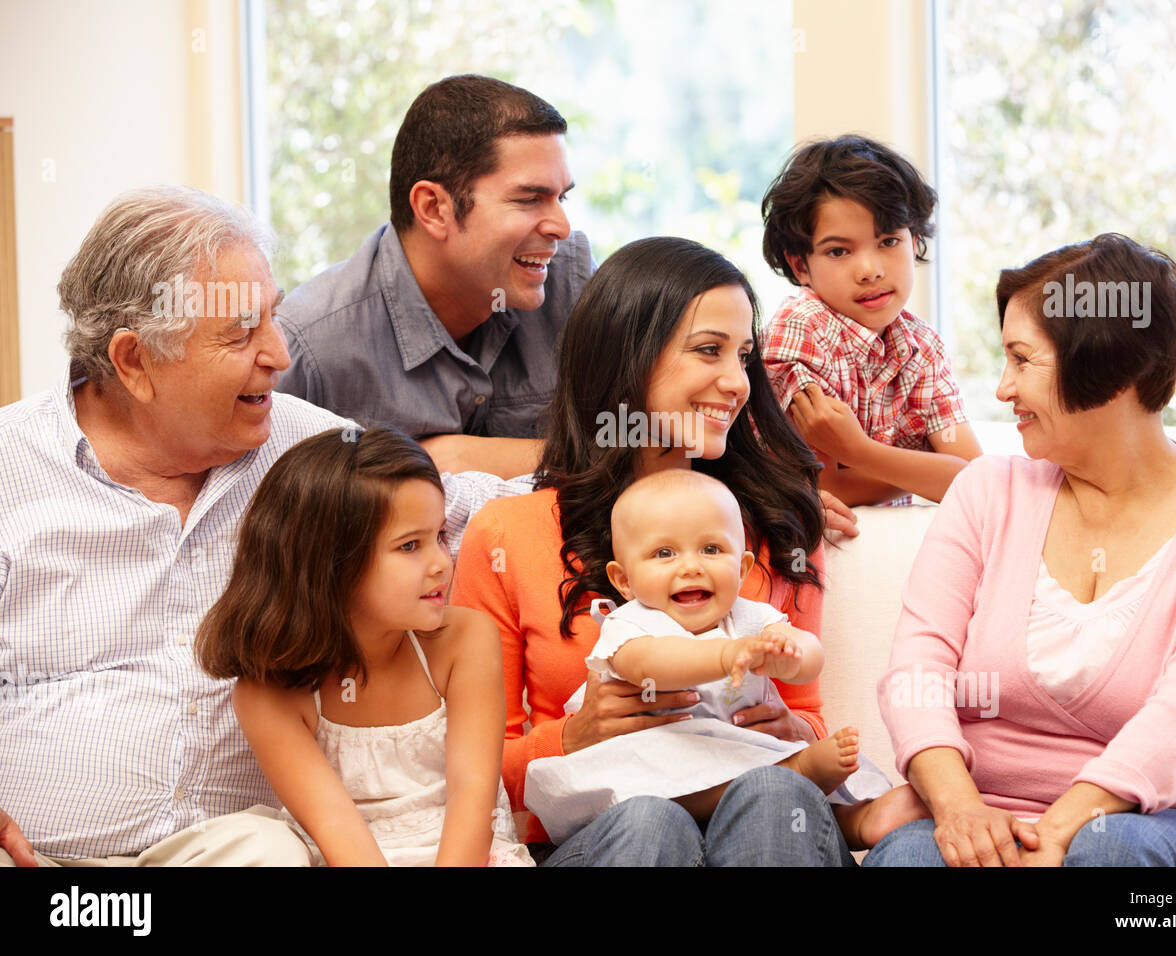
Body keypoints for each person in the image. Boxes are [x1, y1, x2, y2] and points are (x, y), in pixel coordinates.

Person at [0, 186, 531, 867]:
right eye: (241, 333)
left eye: (273, 320)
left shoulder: (308, 450)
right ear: (134, 362)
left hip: (232, 847)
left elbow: (477, 510)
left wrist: (647, 462)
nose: (280, 355)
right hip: (34, 855)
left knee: (267, 852)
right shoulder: (13, 466)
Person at [865, 233, 1176, 867]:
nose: (1003, 389)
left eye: (1021, 360)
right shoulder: (986, 493)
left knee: (1107, 851)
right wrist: (959, 809)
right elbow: (917, 669)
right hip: (988, 803)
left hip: (1168, 818)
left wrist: (1060, 832)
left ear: (1110, 369)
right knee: (911, 860)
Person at [453, 235, 860, 866]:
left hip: (761, 821)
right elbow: (473, 764)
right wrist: (572, 735)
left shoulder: (779, 529)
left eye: (744, 357)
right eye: (708, 351)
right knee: (649, 821)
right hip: (607, 836)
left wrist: (793, 733)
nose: (736, 383)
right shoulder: (506, 534)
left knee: (776, 792)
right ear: (626, 355)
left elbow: (806, 713)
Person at [195, 426, 531, 866]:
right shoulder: (265, 695)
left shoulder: (465, 640)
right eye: (410, 545)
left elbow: (473, 796)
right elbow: (337, 832)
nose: (440, 564)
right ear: (332, 565)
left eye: (441, 537)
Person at [523, 469, 900, 844]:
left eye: (711, 549)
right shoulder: (629, 623)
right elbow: (652, 663)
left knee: (770, 788)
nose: (691, 566)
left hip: (739, 754)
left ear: (742, 568)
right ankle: (802, 773)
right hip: (652, 761)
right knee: (659, 801)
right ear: (624, 580)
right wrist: (726, 655)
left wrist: (792, 656)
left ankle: (853, 819)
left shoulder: (751, 617)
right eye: (664, 553)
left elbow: (807, 654)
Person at [274, 74, 593, 480]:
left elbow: (647, 445)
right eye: (530, 199)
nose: (561, 227)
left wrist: (461, 460)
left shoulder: (569, 279)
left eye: (561, 197)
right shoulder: (310, 348)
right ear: (433, 209)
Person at [760, 135, 981, 505]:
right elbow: (824, 488)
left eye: (888, 241)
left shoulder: (920, 346)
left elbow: (975, 480)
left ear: (913, 241)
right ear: (801, 265)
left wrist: (860, 453)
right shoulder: (799, 330)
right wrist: (927, 466)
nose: (869, 270)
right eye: (839, 251)